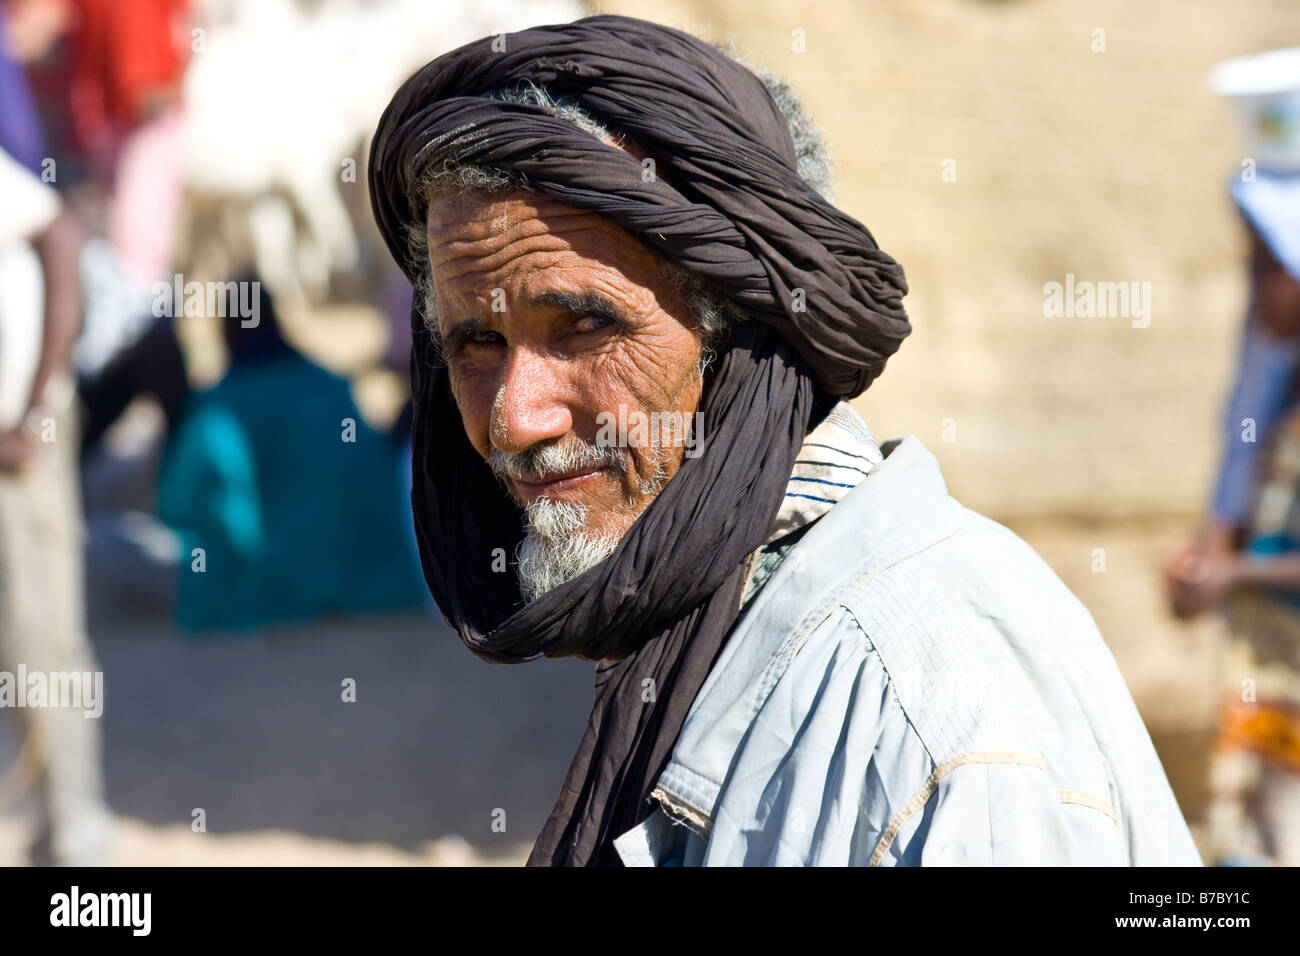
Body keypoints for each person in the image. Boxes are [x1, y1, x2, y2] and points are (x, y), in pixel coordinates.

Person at [368, 14, 1200, 866]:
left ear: (745, 332)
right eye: (476, 344)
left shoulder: (918, 710)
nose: (514, 418)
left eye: (583, 326)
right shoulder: (714, 624)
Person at [156, 280, 426, 632]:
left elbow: (182, 508)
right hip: (368, 586)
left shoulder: (217, 412)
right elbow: (375, 486)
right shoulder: (331, 391)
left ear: (225, 330)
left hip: (257, 595)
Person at [0, 143, 114, 865]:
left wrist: (35, 409)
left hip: (20, 444)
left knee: (41, 637)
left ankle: (76, 830)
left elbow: (60, 239)